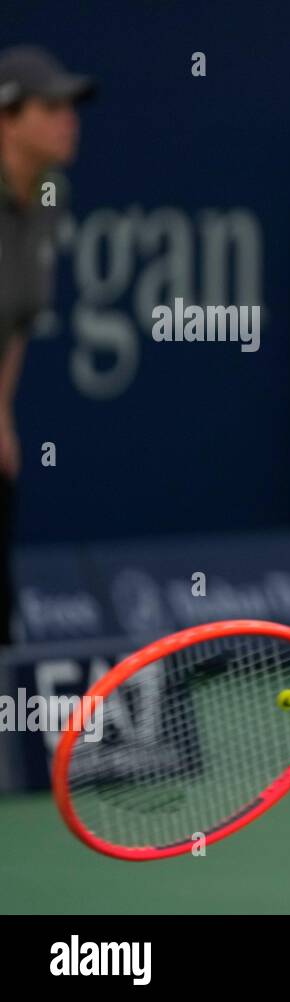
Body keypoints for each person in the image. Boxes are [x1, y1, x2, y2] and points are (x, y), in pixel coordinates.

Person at [0, 46, 95, 644]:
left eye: (71, 106)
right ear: (7, 118)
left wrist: (1, 411)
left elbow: (16, 322)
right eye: (51, 106)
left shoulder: (49, 197)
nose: (69, 119)